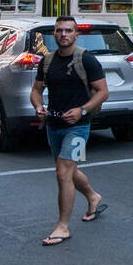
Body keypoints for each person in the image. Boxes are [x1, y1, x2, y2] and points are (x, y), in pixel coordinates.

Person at [31, 15, 109, 245]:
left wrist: (82, 111)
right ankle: (93, 197)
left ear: (76, 34)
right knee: (69, 169)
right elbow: (36, 90)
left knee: (63, 172)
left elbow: (103, 92)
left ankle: (62, 227)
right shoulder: (47, 61)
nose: (63, 35)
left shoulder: (87, 60)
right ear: (54, 34)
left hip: (79, 127)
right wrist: (38, 106)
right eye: (59, 31)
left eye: (68, 31)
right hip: (53, 126)